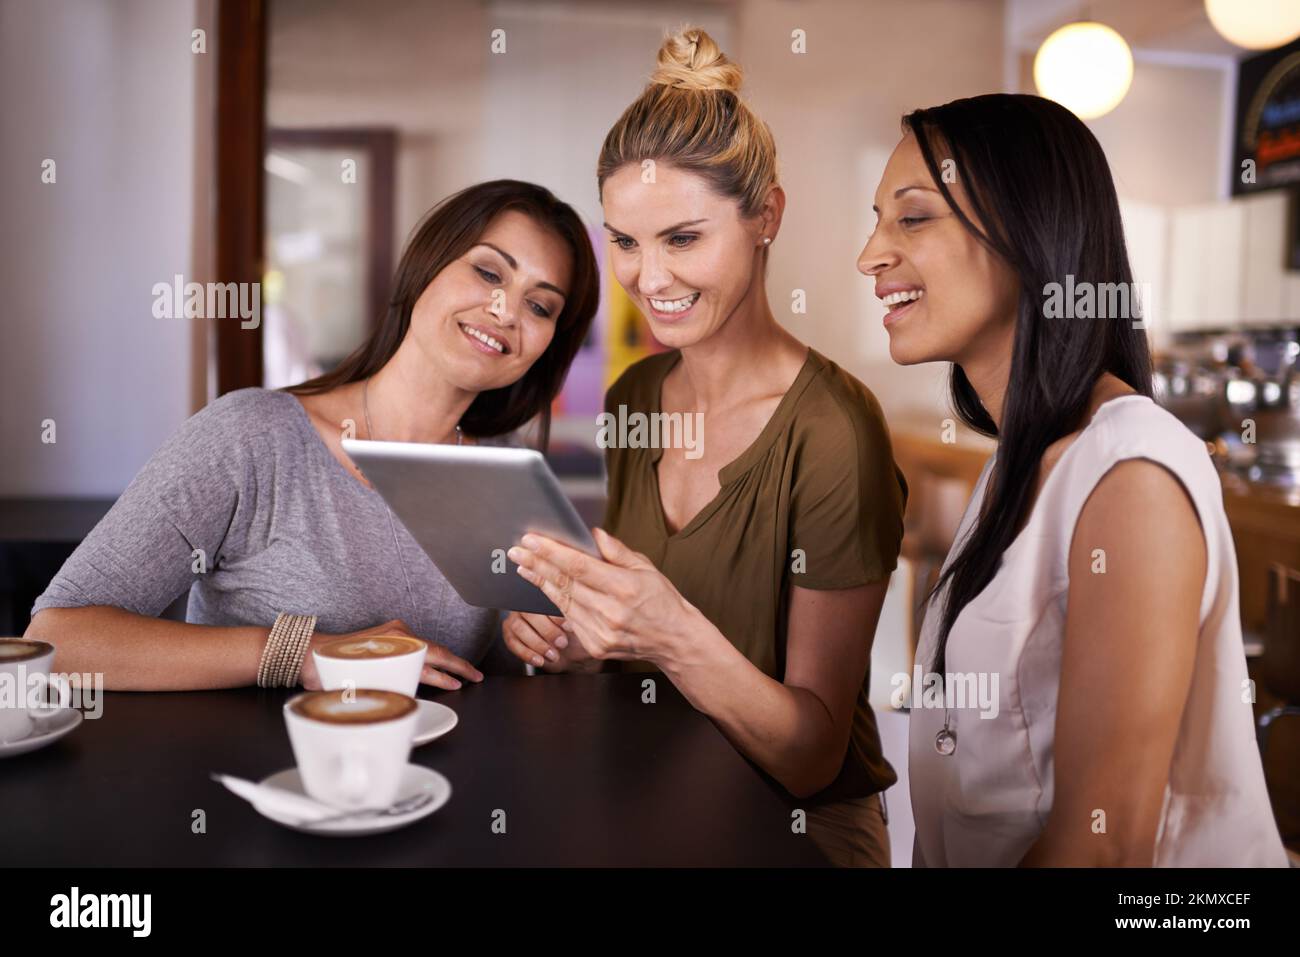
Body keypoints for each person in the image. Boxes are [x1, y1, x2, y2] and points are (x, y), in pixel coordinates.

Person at [503, 28, 907, 868]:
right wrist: (581, 641)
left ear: (767, 216)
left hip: (796, 827)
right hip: (646, 782)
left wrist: (665, 629)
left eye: (682, 238)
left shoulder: (835, 430)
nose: (648, 279)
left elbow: (812, 753)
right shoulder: (634, 400)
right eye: (623, 241)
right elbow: (643, 638)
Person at [858, 92, 1288, 866]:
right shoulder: (1015, 466)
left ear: (1027, 232)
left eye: (912, 217)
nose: (871, 255)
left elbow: (1101, 851)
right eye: (878, 220)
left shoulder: (1131, 475)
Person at [26, 180, 599, 693]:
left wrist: (551, 650)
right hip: (254, 793)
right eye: (489, 272)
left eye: (540, 306)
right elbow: (58, 642)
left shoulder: (507, 478)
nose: (505, 310)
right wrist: (301, 654)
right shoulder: (251, 435)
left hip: (431, 795)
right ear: (427, 266)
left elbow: (486, 677)